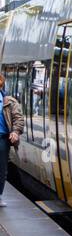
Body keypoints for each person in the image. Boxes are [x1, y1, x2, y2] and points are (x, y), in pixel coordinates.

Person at [0, 71, 25, 208]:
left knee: (2, 169)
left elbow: (18, 118)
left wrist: (15, 131)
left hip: (3, 139)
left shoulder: (9, 102)